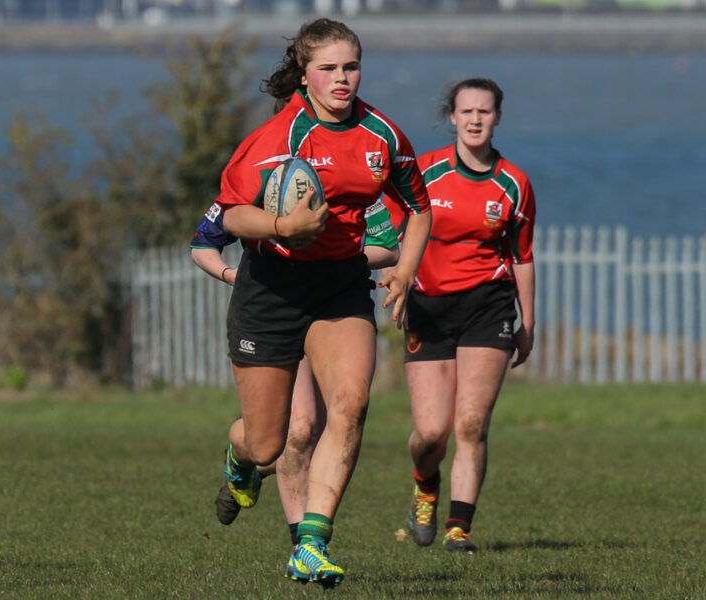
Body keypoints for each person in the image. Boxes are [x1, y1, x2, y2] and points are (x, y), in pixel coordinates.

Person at [212, 18, 431, 586]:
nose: (342, 78)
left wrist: (405, 271)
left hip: (339, 285)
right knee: (268, 443)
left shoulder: (383, 135)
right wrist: (284, 224)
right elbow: (233, 213)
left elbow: (418, 206)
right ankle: (240, 460)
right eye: (328, 68)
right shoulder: (280, 137)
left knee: (351, 401)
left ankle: (311, 544)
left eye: (350, 67)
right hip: (273, 289)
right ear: (304, 74)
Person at [189, 198, 401, 549]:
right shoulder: (263, 176)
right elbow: (202, 245)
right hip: (274, 312)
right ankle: (243, 460)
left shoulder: (350, 183)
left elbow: (388, 247)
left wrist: (337, 256)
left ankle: (306, 547)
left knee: (330, 421)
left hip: (333, 310)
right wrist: (232, 274)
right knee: (295, 432)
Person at [383, 78, 536, 553]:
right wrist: (398, 285)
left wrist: (527, 323)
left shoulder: (514, 183)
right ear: (451, 116)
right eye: (466, 111)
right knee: (431, 433)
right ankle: (424, 485)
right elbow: (390, 235)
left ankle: (458, 530)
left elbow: (522, 257)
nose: (474, 120)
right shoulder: (423, 173)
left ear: (497, 119)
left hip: (488, 305)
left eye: (484, 112)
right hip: (427, 306)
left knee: (471, 423)